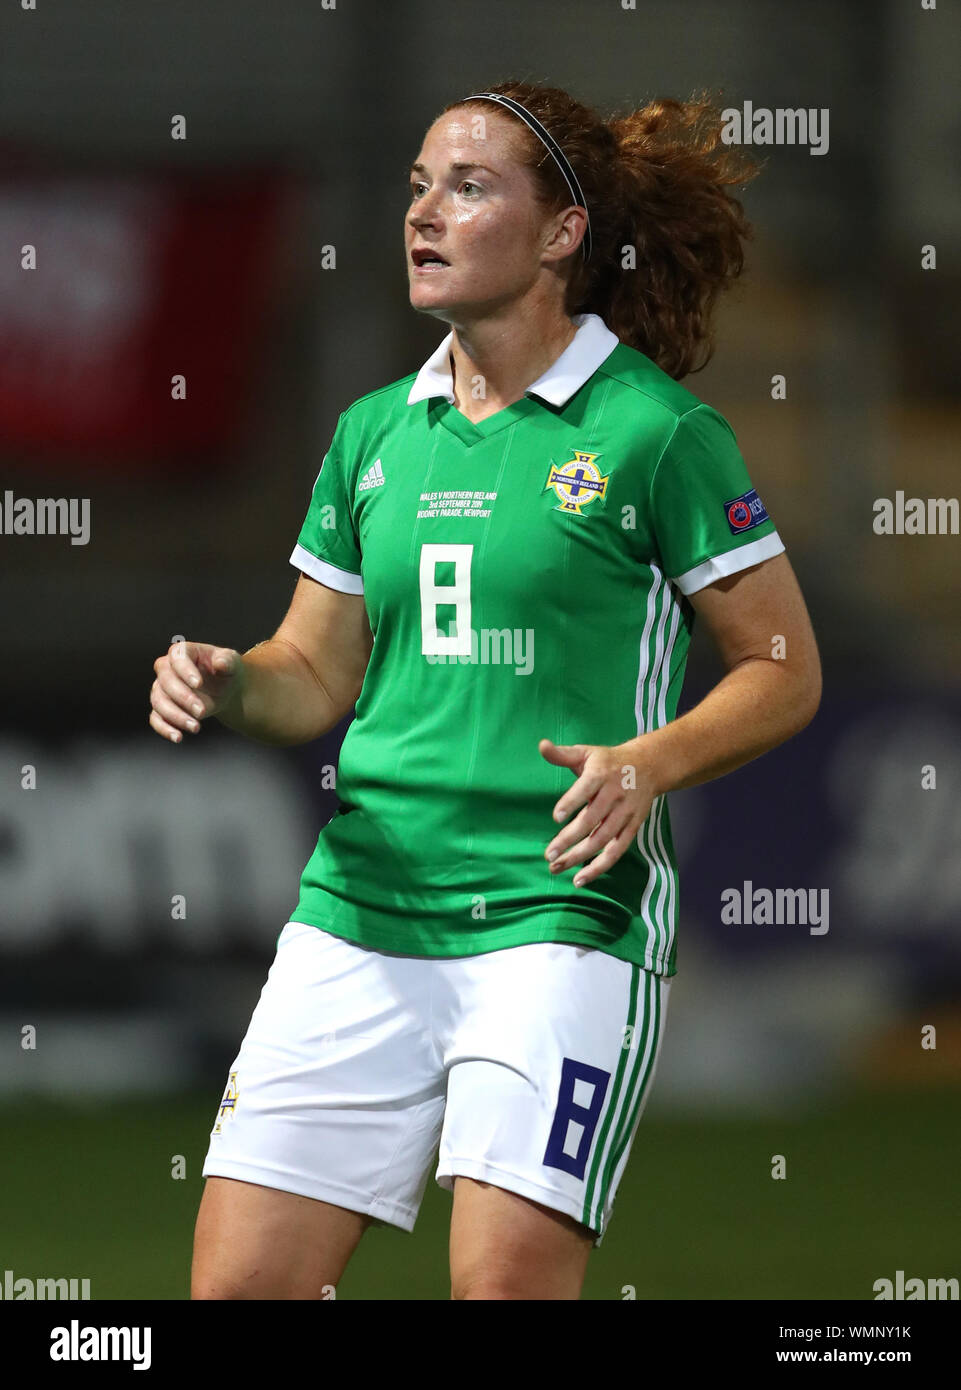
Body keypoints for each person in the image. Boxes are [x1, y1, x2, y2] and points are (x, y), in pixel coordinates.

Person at [149, 80, 821, 1300]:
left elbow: (783, 670)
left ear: (563, 232)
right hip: (362, 905)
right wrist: (228, 681)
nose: (424, 211)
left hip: (554, 916)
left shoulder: (655, 435)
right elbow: (311, 677)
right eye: (417, 185)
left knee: (502, 1291)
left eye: (467, 187)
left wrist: (647, 762)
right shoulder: (372, 435)